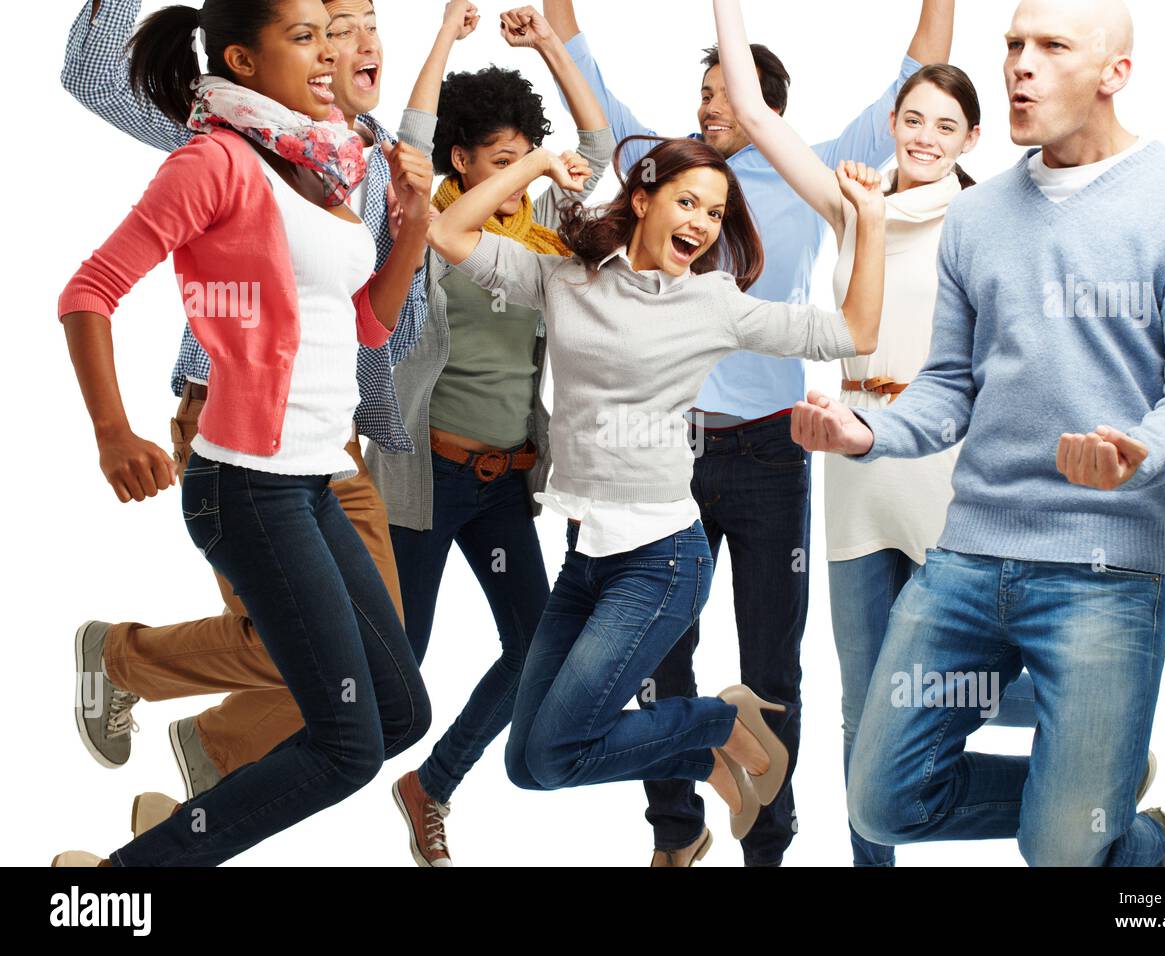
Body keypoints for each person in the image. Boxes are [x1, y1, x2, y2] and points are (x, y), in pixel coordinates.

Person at [791, 0, 1165, 866]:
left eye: (1051, 46)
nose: (1019, 65)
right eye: (1012, 44)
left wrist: (1138, 454)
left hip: (1109, 571)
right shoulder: (977, 216)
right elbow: (951, 385)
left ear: (1114, 72)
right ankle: (1086, 810)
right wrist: (867, 432)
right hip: (968, 558)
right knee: (882, 801)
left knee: (1060, 853)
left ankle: (1126, 839)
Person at [541, 0, 955, 866]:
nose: (709, 107)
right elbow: (586, 76)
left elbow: (916, 80)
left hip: (771, 452)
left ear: (765, 107)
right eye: (703, 93)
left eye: (725, 92)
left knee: (773, 665)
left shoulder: (813, 169)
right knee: (660, 655)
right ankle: (676, 829)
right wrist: (548, 30)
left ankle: (767, 845)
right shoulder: (666, 170)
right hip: (671, 454)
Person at [426, 127, 888, 847]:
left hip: (661, 560)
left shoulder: (713, 303)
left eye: (716, 212)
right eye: (688, 202)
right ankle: (709, 749)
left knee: (556, 750)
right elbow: (447, 231)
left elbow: (855, 332)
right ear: (642, 200)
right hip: (585, 558)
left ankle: (720, 722)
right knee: (530, 766)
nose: (703, 223)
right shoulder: (566, 279)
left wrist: (872, 222)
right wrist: (539, 163)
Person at [53, 0, 435, 867]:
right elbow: (89, 291)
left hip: (319, 478)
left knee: (400, 712)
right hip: (249, 486)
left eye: (333, 33)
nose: (330, 51)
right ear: (243, 62)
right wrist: (113, 433)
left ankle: (192, 803)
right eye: (305, 37)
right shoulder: (215, 160)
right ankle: (122, 879)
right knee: (347, 748)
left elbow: (369, 327)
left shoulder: (324, 166)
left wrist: (413, 224)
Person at [713, 0, 1039, 868]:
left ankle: (1087, 737)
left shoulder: (991, 217)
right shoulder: (855, 205)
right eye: (913, 119)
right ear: (892, 121)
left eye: (946, 125)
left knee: (970, 680)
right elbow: (754, 114)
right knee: (866, 707)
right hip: (854, 469)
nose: (925, 137)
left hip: (946, 469)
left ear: (972, 139)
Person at [376, 7, 616, 867]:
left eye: (528, 156)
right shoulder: (421, 221)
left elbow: (599, 144)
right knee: (396, 674)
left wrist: (549, 44)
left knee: (534, 650)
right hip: (425, 476)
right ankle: (230, 753)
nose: (524, 173)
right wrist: (446, 31)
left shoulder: (541, 223)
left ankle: (431, 786)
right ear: (461, 161)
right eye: (502, 161)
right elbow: (414, 142)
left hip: (505, 480)